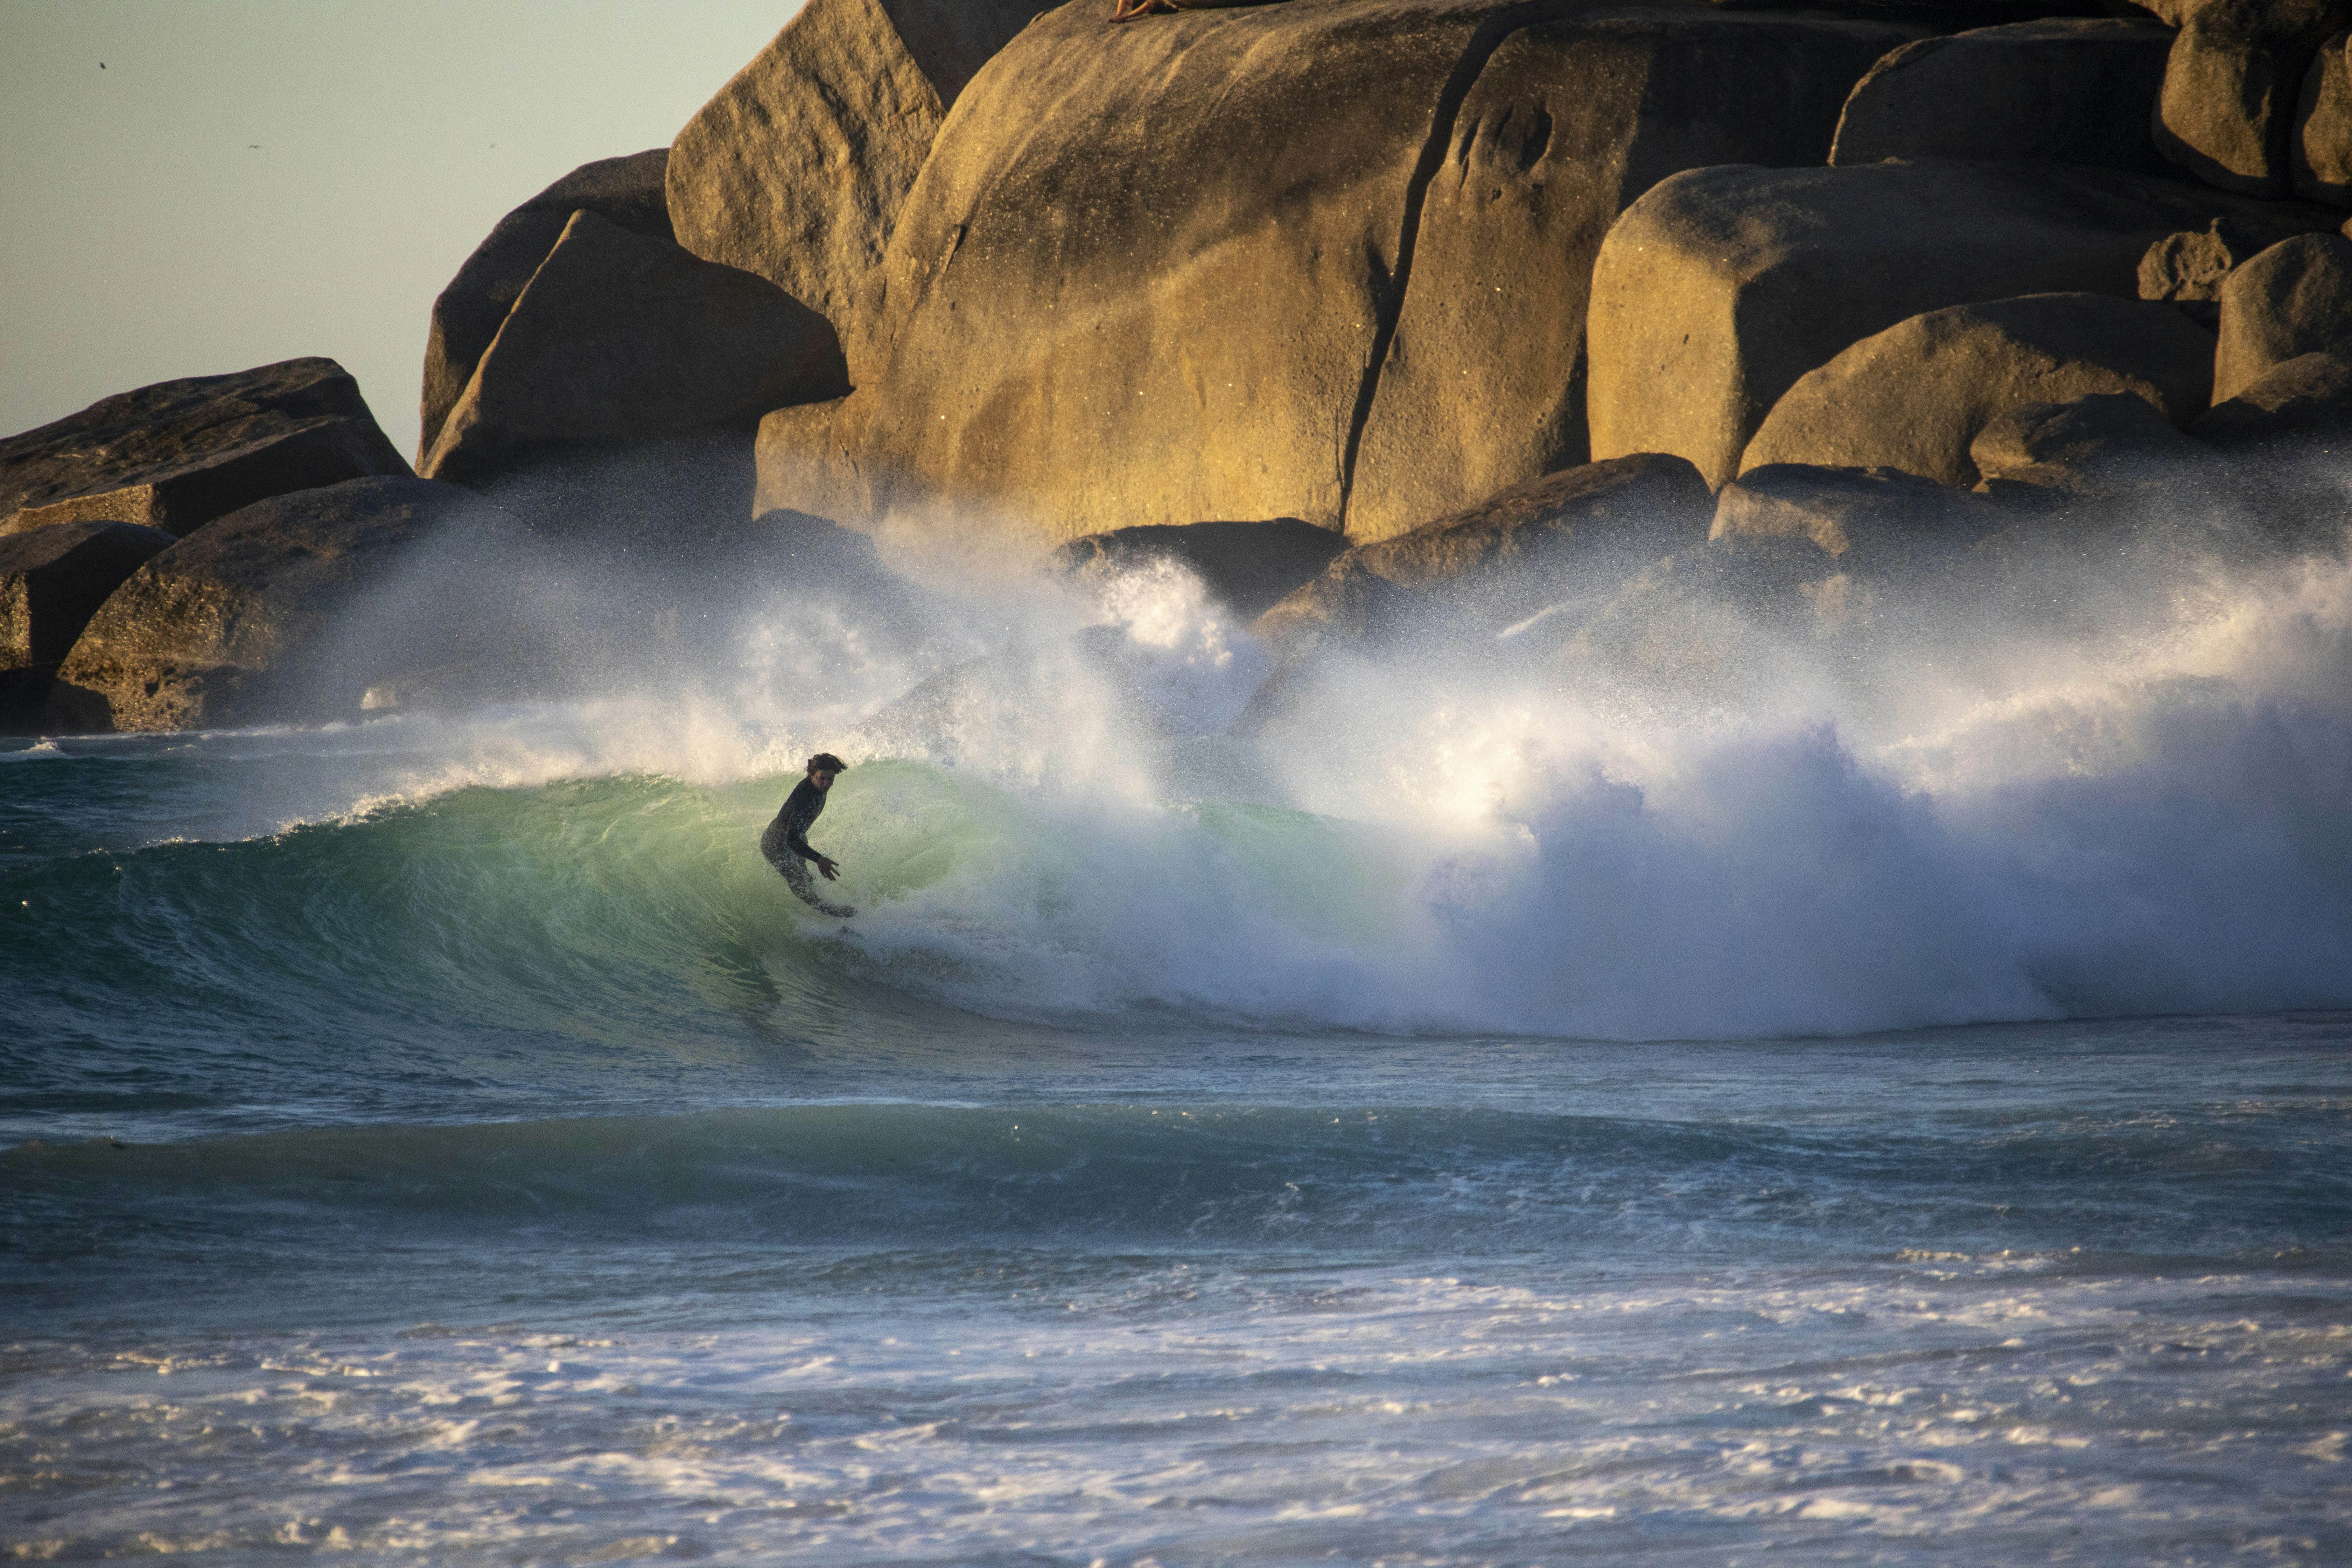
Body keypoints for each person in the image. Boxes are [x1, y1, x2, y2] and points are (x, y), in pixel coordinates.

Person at [762, 752, 855, 917]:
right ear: (812, 774)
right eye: (822, 778)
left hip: (796, 835)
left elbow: (795, 835)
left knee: (807, 878)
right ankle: (830, 913)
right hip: (776, 844)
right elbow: (791, 840)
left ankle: (821, 908)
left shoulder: (818, 785)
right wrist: (819, 859)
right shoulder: (805, 798)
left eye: (831, 779)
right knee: (798, 879)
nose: (827, 784)